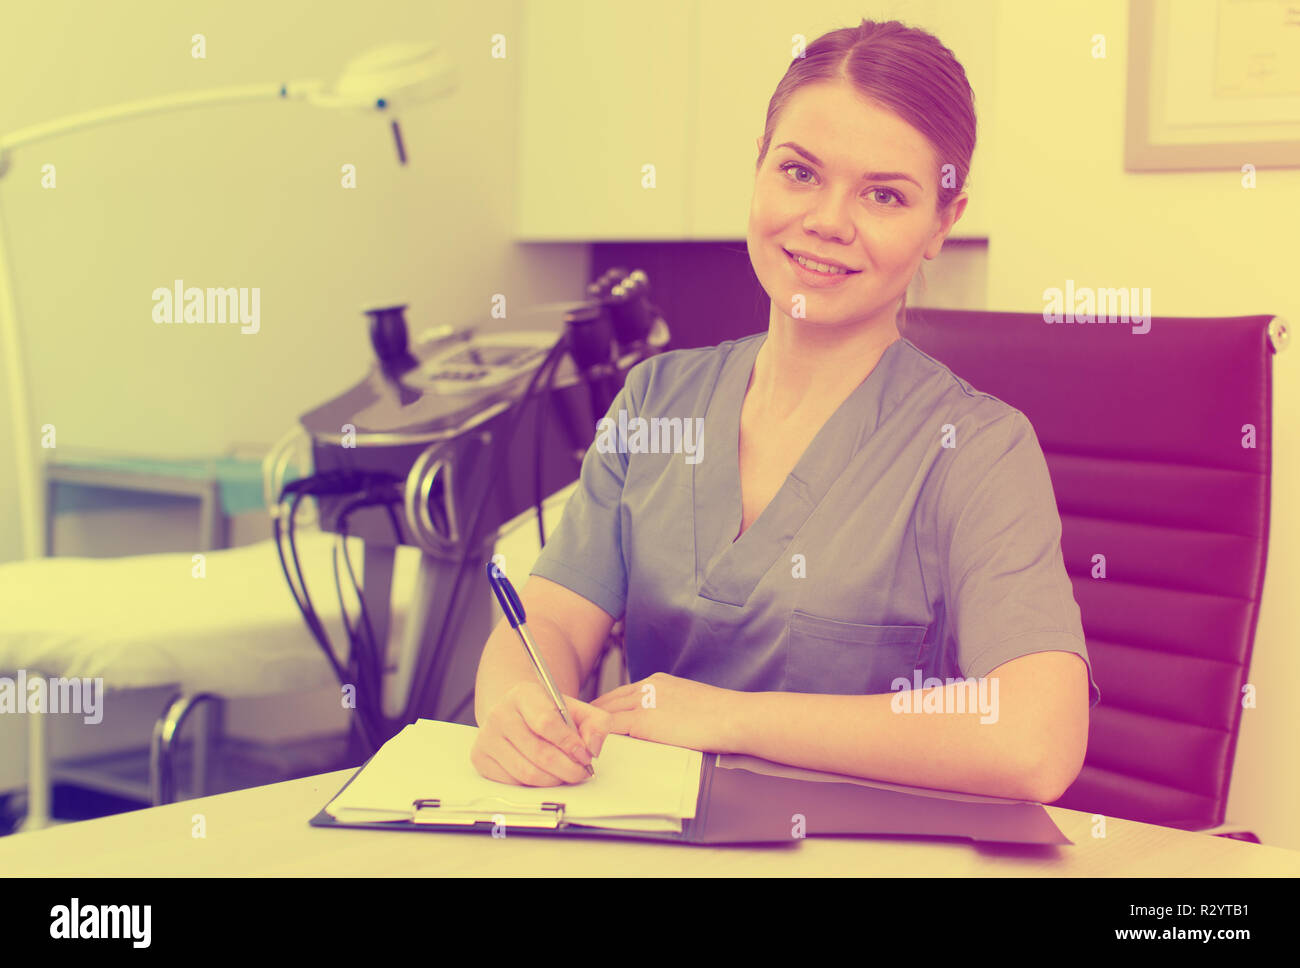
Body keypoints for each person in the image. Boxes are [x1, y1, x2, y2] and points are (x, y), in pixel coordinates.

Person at [471, 18, 1100, 802]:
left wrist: (730, 718)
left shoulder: (976, 451)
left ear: (942, 222)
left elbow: (1034, 741)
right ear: (759, 172)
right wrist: (516, 709)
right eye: (800, 173)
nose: (828, 220)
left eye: (883, 194)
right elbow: (550, 627)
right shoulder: (656, 401)